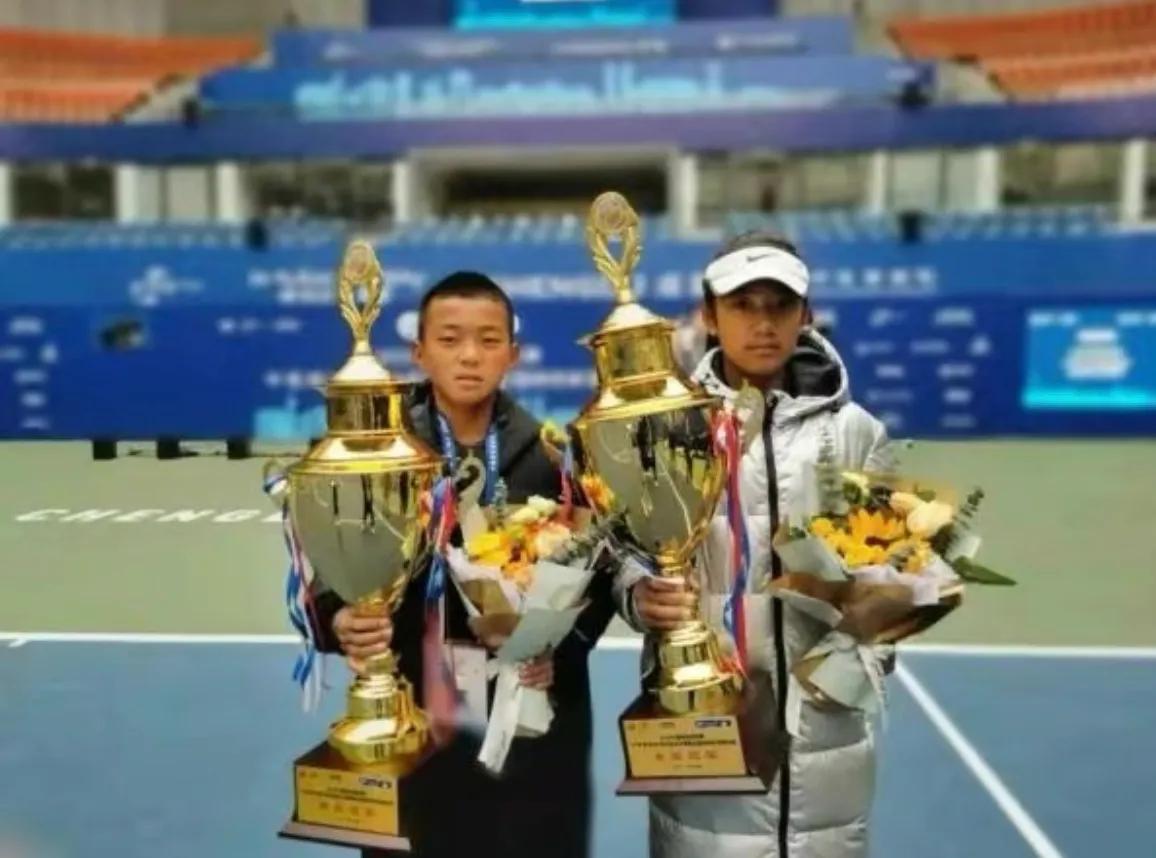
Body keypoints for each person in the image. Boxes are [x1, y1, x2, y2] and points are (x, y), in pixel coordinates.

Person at [311, 270, 616, 858]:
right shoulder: (378, 456)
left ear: (514, 354)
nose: (470, 356)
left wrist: (560, 646)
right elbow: (329, 557)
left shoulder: (556, 455)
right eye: (450, 340)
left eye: (488, 339)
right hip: (419, 713)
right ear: (419, 351)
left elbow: (598, 579)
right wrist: (339, 618)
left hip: (536, 721)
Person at [615, 232, 894, 858]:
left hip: (828, 733)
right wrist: (638, 595)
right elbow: (623, 551)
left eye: (780, 306)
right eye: (743, 306)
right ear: (709, 317)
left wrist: (853, 668)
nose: (763, 324)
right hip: (702, 718)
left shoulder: (857, 434)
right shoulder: (666, 424)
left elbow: (895, 573)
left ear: (807, 315)